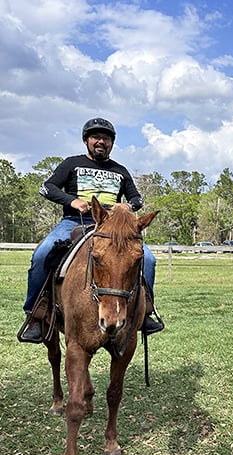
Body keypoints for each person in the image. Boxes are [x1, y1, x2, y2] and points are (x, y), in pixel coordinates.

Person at [20, 117, 164, 342]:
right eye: (96, 137)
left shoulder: (120, 170)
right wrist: (71, 201)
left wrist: (127, 205)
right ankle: (35, 315)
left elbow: (137, 198)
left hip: (110, 228)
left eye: (106, 138)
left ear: (112, 143)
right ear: (86, 140)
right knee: (42, 253)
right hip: (73, 222)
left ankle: (144, 313)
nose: (101, 142)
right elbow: (46, 187)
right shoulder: (72, 164)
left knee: (149, 259)